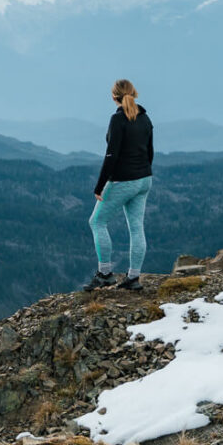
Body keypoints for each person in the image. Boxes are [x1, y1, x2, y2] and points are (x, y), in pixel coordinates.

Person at [83, 79, 155, 291]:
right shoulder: (145, 118)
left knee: (97, 222)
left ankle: (105, 274)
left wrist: (100, 186)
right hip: (144, 179)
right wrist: (141, 172)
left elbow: (111, 155)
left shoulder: (118, 120)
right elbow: (150, 152)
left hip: (124, 180)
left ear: (114, 96)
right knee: (136, 227)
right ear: (133, 93)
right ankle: (133, 278)